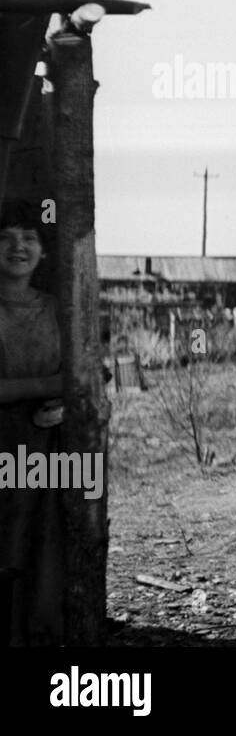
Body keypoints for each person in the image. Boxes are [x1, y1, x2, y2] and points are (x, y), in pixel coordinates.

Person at [0, 199, 65, 645]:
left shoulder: (59, 310)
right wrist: (51, 382)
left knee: (42, 547)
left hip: (48, 448)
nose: (18, 246)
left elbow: (85, 375)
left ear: (43, 250)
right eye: (5, 237)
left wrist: (65, 401)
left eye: (29, 237)